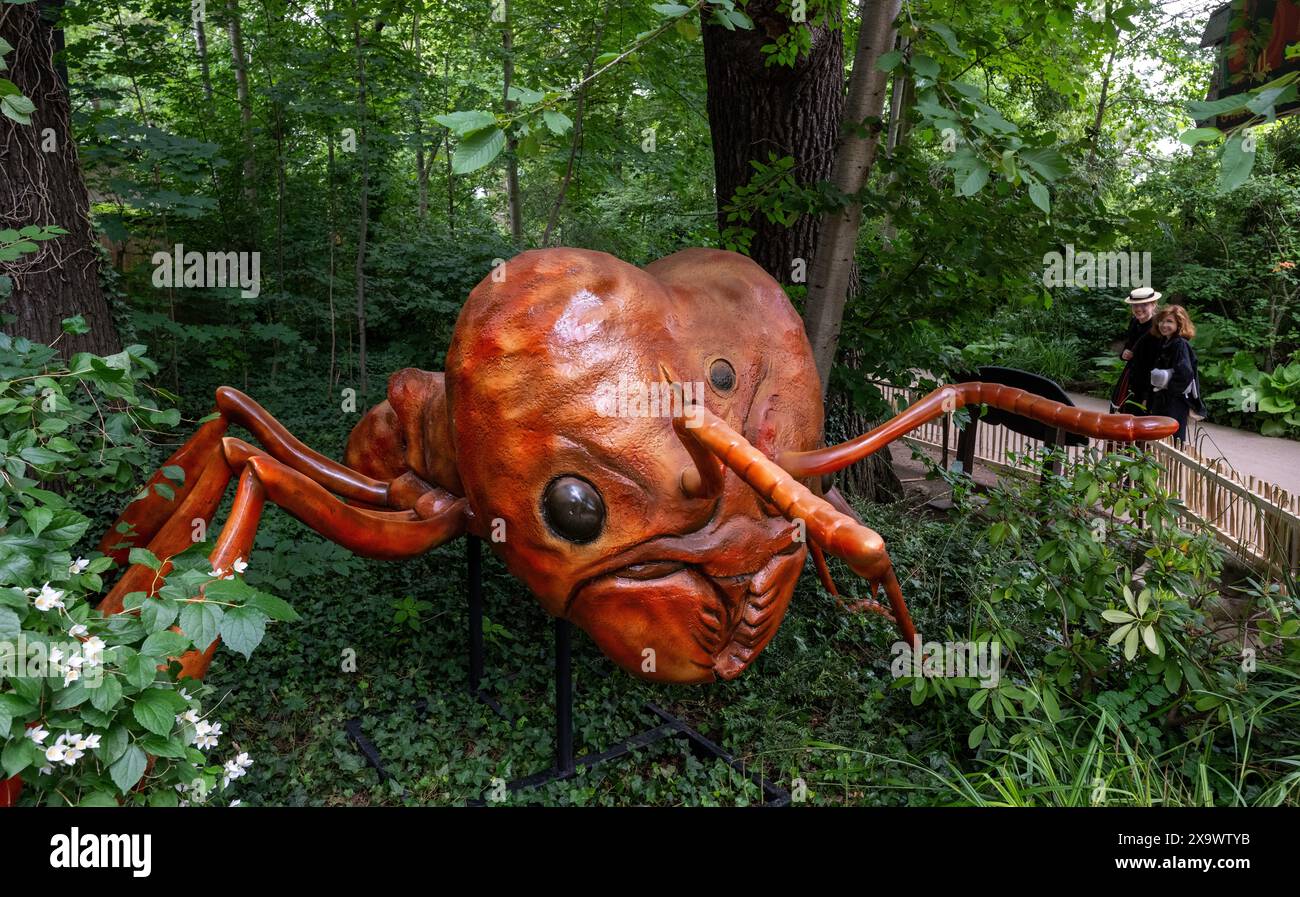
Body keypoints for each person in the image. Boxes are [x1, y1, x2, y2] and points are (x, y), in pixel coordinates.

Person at [1147, 305, 1204, 443]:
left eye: (1169, 321)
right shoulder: (1164, 342)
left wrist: (1169, 388)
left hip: (1174, 401)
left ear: (1179, 324)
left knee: (1173, 438)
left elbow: (1185, 373)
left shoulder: (1180, 344)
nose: (1163, 325)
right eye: (1161, 321)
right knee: (1159, 436)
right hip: (1161, 398)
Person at [1109, 286, 1161, 415]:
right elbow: (1129, 344)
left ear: (1153, 305)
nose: (1138, 309)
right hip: (1131, 374)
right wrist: (1124, 353)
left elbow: (1158, 358)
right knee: (1121, 414)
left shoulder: (1159, 326)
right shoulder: (1134, 322)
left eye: (1143, 305)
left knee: (1140, 416)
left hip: (1149, 379)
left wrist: (1147, 394)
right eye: (1135, 305)